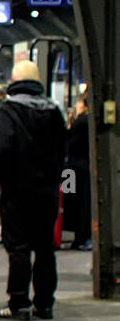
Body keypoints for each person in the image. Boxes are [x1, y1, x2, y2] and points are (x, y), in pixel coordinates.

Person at [0, 60, 67, 320]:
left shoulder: (10, 109)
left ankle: (18, 301)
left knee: (19, 247)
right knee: (45, 248)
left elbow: (2, 149)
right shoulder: (54, 111)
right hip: (47, 190)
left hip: (17, 190)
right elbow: (62, 151)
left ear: (14, 80)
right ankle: (44, 303)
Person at [62, 94, 92, 251]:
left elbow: (69, 141)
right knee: (80, 201)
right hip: (80, 168)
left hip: (74, 169)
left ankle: (79, 236)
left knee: (74, 201)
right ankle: (82, 236)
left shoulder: (81, 122)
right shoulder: (87, 122)